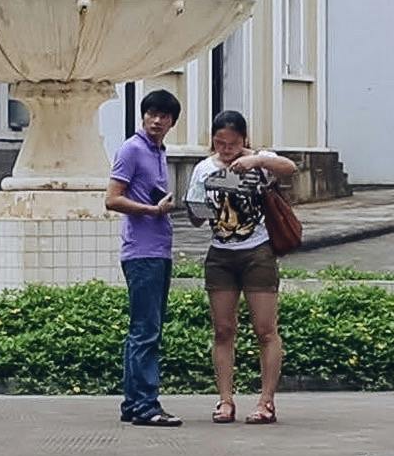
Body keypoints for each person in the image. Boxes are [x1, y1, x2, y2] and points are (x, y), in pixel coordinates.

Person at [195, 111, 288, 422]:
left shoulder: (258, 162)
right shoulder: (203, 169)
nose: (225, 149)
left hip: (257, 251)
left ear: (244, 139)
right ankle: (225, 399)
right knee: (223, 330)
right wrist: (199, 208)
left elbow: (290, 168)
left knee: (265, 329)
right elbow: (196, 215)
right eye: (219, 143)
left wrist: (255, 160)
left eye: (232, 143)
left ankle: (266, 401)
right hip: (221, 254)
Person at [110, 90, 183, 425]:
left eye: (164, 116)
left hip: (158, 249)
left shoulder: (158, 151)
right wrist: (152, 209)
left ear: (171, 122)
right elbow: (112, 199)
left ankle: (132, 403)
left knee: (144, 329)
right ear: (143, 115)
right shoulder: (132, 149)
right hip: (141, 252)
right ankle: (145, 406)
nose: (157, 120)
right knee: (146, 330)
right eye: (152, 113)